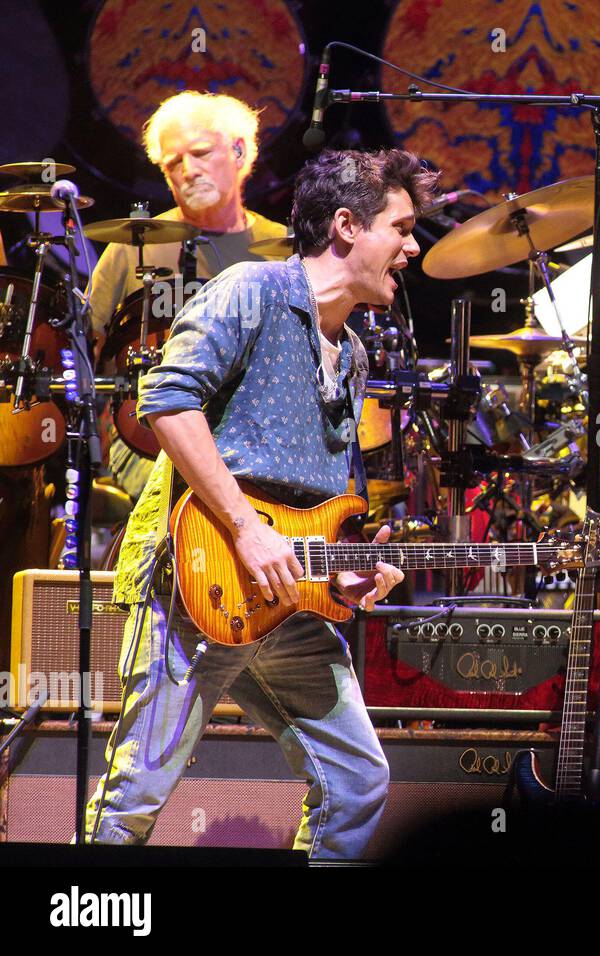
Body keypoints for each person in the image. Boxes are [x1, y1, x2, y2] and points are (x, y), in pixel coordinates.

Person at [83, 148, 438, 859]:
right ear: (346, 225)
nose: (412, 247)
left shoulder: (355, 351)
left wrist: (347, 570)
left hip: (288, 593)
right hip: (198, 581)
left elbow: (331, 497)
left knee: (358, 780)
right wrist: (245, 530)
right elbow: (166, 401)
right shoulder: (251, 289)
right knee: (134, 801)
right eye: (400, 228)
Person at [86, 91, 289, 499]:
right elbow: (83, 346)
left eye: (200, 153)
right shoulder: (134, 245)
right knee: (191, 504)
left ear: (238, 151)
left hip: (257, 445)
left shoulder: (282, 249)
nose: (189, 170)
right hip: (149, 445)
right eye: (174, 162)